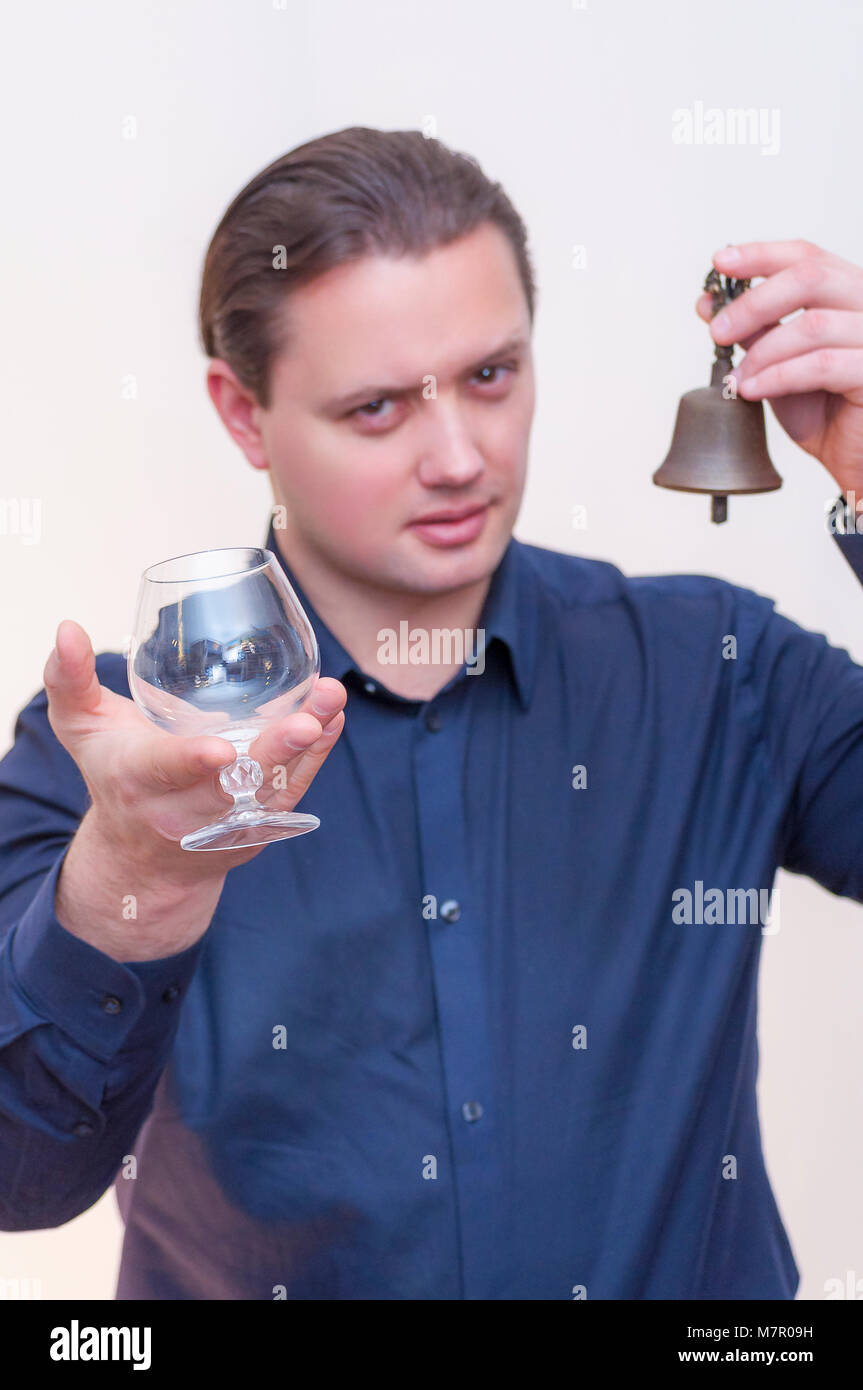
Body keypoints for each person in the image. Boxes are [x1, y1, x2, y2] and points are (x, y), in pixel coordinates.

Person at [2, 126, 863, 1301]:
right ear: (243, 414)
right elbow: (21, 1180)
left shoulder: (721, 668)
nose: (459, 457)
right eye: (376, 408)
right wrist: (130, 882)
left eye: (490, 376)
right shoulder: (110, 755)